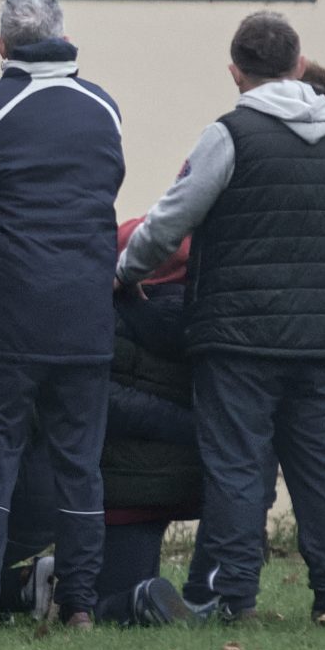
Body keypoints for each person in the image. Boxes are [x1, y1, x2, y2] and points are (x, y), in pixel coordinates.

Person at [117, 11, 325, 626]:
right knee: (323, 459)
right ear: (300, 64)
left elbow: (171, 221)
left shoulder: (228, 135)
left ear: (236, 72)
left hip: (239, 334)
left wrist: (126, 271)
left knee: (237, 462)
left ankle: (230, 595)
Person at [0, 0, 124, 628]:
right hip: (86, 315)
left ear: (2, 47)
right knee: (81, 464)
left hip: (7, 313)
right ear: (63, 35)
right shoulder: (105, 108)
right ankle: (78, 605)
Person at [97, 218, 204, 627]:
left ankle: (134, 599)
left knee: (104, 600)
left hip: (125, 487)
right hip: (183, 482)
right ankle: (148, 593)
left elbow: (112, 402)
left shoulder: (112, 317)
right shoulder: (206, 319)